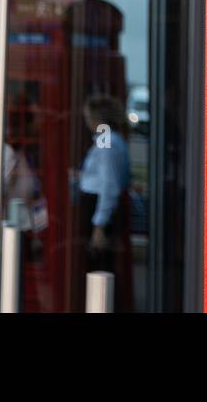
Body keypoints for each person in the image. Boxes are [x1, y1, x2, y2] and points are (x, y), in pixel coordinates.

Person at [77, 94, 131, 310]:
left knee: (99, 271)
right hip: (98, 208)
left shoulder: (107, 142)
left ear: (98, 118)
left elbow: (109, 186)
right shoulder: (110, 139)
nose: (87, 121)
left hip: (99, 212)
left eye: (88, 116)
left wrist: (99, 225)